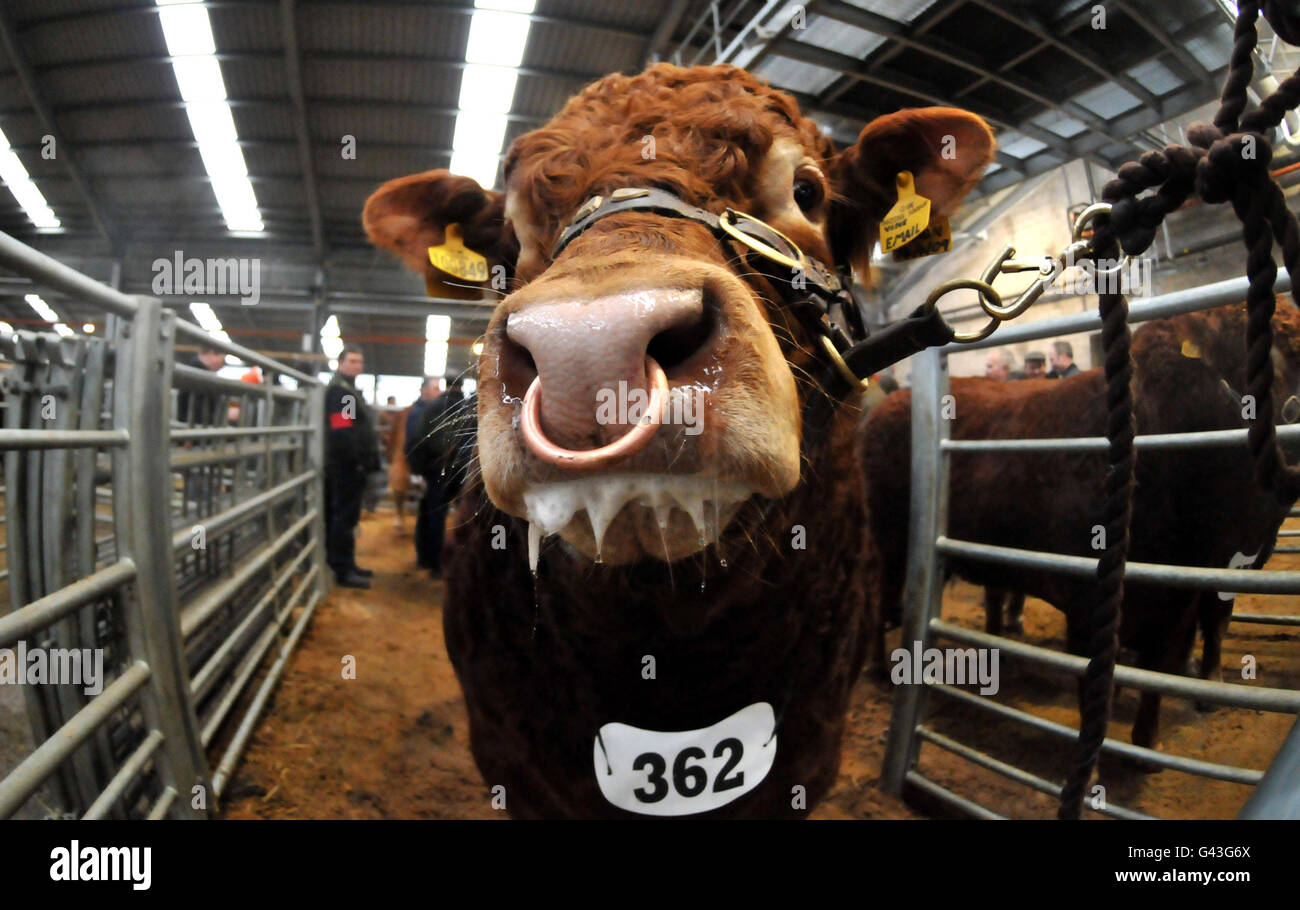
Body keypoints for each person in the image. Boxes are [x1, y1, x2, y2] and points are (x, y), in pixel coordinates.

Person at [325, 345, 381, 588]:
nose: (356, 366)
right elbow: (341, 429)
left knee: (347, 516)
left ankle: (347, 564)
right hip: (347, 466)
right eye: (352, 361)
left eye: (359, 361)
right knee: (344, 517)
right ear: (341, 363)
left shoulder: (348, 391)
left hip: (351, 465)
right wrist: (355, 461)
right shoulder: (342, 393)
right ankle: (342, 568)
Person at [407, 376, 466, 576]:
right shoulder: (469, 407)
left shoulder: (429, 409)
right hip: (461, 471)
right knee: (464, 515)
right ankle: (456, 562)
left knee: (432, 514)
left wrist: (418, 470)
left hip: (434, 470)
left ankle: (429, 560)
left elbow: (417, 440)